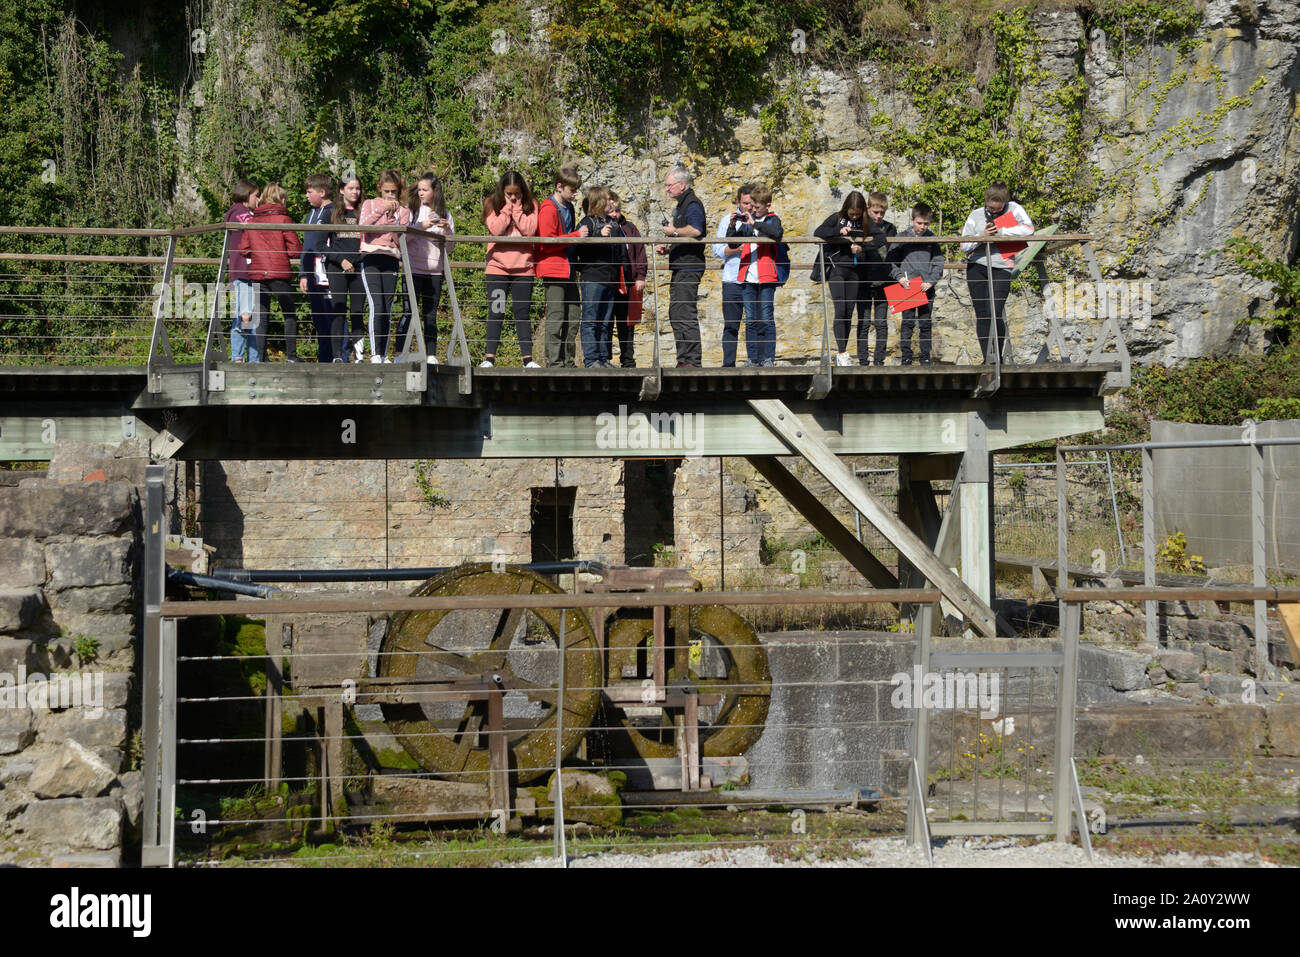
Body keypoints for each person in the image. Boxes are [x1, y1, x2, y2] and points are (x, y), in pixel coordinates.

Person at [961, 181, 1034, 364]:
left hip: (1001, 266)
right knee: (982, 313)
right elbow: (964, 245)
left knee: (995, 310)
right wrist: (982, 237)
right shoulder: (975, 215)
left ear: (1005, 203)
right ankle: (988, 359)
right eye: (991, 208)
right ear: (986, 200)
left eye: (998, 209)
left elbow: (1029, 230)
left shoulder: (1015, 209)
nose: (994, 212)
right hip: (977, 266)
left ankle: (998, 358)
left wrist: (1001, 231)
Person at [237, 182, 302, 362]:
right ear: (281, 200)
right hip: (280, 273)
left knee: (261, 316)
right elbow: (295, 250)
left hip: (258, 273)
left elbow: (243, 249)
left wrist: (258, 252)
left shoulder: (253, 221)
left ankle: (262, 357)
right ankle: (291, 356)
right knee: (289, 313)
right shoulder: (283, 219)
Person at [481, 170, 540, 368]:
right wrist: (507, 210)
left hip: (523, 269)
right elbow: (496, 230)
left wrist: (517, 212)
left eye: (517, 194)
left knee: (522, 312)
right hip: (498, 269)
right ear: (502, 191)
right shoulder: (491, 203)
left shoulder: (531, 204)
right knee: (496, 311)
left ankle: (528, 360)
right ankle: (489, 359)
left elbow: (530, 230)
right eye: (509, 194)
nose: (514, 198)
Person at [396, 172, 455, 364]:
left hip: (434, 271)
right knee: (408, 312)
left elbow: (450, 249)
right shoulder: (410, 211)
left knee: (430, 314)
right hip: (412, 269)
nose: (421, 193)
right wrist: (421, 226)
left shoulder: (445, 214)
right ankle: (400, 354)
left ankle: (431, 355)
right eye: (419, 189)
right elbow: (402, 240)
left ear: (434, 191)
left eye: (425, 190)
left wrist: (446, 231)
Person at [359, 170, 413, 363]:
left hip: (390, 258)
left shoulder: (404, 211)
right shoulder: (369, 204)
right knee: (377, 305)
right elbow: (363, 227)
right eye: (387, 191)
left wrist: (392, 219)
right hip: (371, 256)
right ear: (379, 188)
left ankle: (384, 354)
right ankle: (375, 353)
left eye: (394, 192)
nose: (390, 195)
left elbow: (401, 241)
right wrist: (382, 209)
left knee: (388, 308)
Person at [726, 183, 783, 366]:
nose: (754, 210)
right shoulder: (748, 223)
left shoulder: (772, 220)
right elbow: (733, 243)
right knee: (750, 320)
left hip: (766, 277)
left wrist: (755, 223)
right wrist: (732, 225)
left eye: (757, 207)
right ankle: (752, 358)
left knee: (766, 318)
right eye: (752, 206)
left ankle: (768, 358)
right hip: (748, 277)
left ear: (767, 205)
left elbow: (776, 233)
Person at [654, 166, 706, 367]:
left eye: (669, 185)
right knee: (676, 313)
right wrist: (669, 248)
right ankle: (684, 359)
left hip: (689, 267)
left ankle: (692, 361)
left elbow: (695, 230)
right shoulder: (683, 205)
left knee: (684, 312)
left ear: (681, 185)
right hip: (681, 266)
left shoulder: (692, 205)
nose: (667, 189)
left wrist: (674, 232)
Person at [814, 190, 871, 368]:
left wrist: (860, 250)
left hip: (854, 270)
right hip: (837, 268)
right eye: (851, 213)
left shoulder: (865, 223)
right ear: (846, 208)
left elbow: (873, 244)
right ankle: (841, 352)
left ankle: (843, 351)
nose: (854, 216)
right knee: (840, 309)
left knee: (848, 311)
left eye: (857, 213)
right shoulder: (837, 218)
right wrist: (839, 231)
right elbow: (819, 231)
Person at [573, 186, 628, 368]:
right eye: (607, 199)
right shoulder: (588, 222)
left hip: (610, 279)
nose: (611, 202)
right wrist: (598, 235)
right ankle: (591, 359)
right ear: (598, 202)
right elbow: (576, 247)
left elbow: (622, 252)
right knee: (591, 319)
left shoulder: (614, 225)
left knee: (605, 322)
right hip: (593, 277)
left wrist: (622, 278)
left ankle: (603, 358)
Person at [534, 166, 584, 368]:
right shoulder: (548, 208)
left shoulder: (569, 208)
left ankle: (568, 361)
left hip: (569, 268)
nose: (574, 194)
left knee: (573, 315)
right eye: (571, 190)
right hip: (554, 268)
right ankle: (554, 363)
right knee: (556, 315)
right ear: (559, 186)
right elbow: (547, 241)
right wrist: (577, 236)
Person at [889, 202, 944, 365]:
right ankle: (906, 355)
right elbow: (891, 261)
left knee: (925, 322)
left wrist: (931, 281)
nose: (922, 227)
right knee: (907, 322)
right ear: (912, 220)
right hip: (907, 286)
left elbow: (938, 262)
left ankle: (925, 356)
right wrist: (899, 277)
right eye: (919, 223)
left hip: (926, 286)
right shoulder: (901, 237)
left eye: (926, 224)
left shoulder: (932, 238)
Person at [324, 176, 364, 362]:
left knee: (357, 311)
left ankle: (359, 356)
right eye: (350, 188)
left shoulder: (364, 212)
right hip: (336, 268)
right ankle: (337, 356)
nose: (354, 192)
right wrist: (341, 260)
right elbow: (320, 244)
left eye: (357, 188)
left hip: (358, 267)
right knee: (339, 311)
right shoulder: (331, 212)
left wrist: (357, 260)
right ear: (341, 190)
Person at [713, 185, 754, 368]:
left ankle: (755, 361)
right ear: (739, 202)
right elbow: (717, 250)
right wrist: (736, 249)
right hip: (732, 278)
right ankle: (728, 364)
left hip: (753, 278)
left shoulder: (758, 219)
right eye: (745, 203)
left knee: (755, 322)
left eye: (752, 203)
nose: (748, 208)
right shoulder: (727, 221)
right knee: (731, 325)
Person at [299, 172, 337, 362]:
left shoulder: (334, 211)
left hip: (329, 272)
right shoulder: (310, 215)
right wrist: (303, 274)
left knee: (333, 313)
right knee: (318, 316)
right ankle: (324, 358)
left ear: (322, 192)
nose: (306, 195)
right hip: (312, 273)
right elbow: (307, 247)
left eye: (309, 191)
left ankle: (340, 356)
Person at [608, 190, 646, 368]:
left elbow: (640, 252)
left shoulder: (630, 228)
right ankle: (605, 359)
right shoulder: (602, 227)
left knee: (627, 323)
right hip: (609, 282)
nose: (615, 215)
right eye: (611, 211)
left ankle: (628, 360)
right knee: (606, 322)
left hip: (628, 282)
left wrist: (640, 276)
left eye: (617, 210)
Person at [224, 179, 260, 362]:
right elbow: (254, 227)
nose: (259, 199)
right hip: (242, 272)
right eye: (256, 195)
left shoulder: (247, 212)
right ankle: (238, 357)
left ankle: (253, 358)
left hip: (250, 272)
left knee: (250, 316)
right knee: (244, 315)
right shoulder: (239, 212)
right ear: (247, 195)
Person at [860, 191, 897, 365]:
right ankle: (862, 360)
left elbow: (894, 252)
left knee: (881, 322)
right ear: (868, 209)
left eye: (882, 213)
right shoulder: (860, 226)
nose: (879, 216)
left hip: (884, 280)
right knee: (864, 322)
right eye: (875, 212)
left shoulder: (890, 228)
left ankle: (879, 361)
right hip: (864, 281)